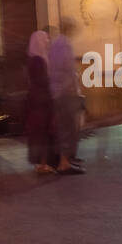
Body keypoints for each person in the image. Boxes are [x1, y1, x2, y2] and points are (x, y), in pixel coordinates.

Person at [47, 20, 85, 175]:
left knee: (63, 127)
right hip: (65, 93)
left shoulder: (55, 45)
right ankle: (64, 163)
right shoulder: (64, 45)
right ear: (68, 29)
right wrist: (74, 88)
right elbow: (68, 69)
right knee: (68, 128)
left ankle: (64, 160)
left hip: (56, 91)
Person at [23, 52, 54, 174]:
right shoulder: (45, 83)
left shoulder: (32, 85)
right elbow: (49, 100)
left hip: (33, 117)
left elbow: (28, 102)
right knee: (44, 140)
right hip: (44, 115)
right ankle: (43, 164)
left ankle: (38, 164)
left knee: (36, 140)